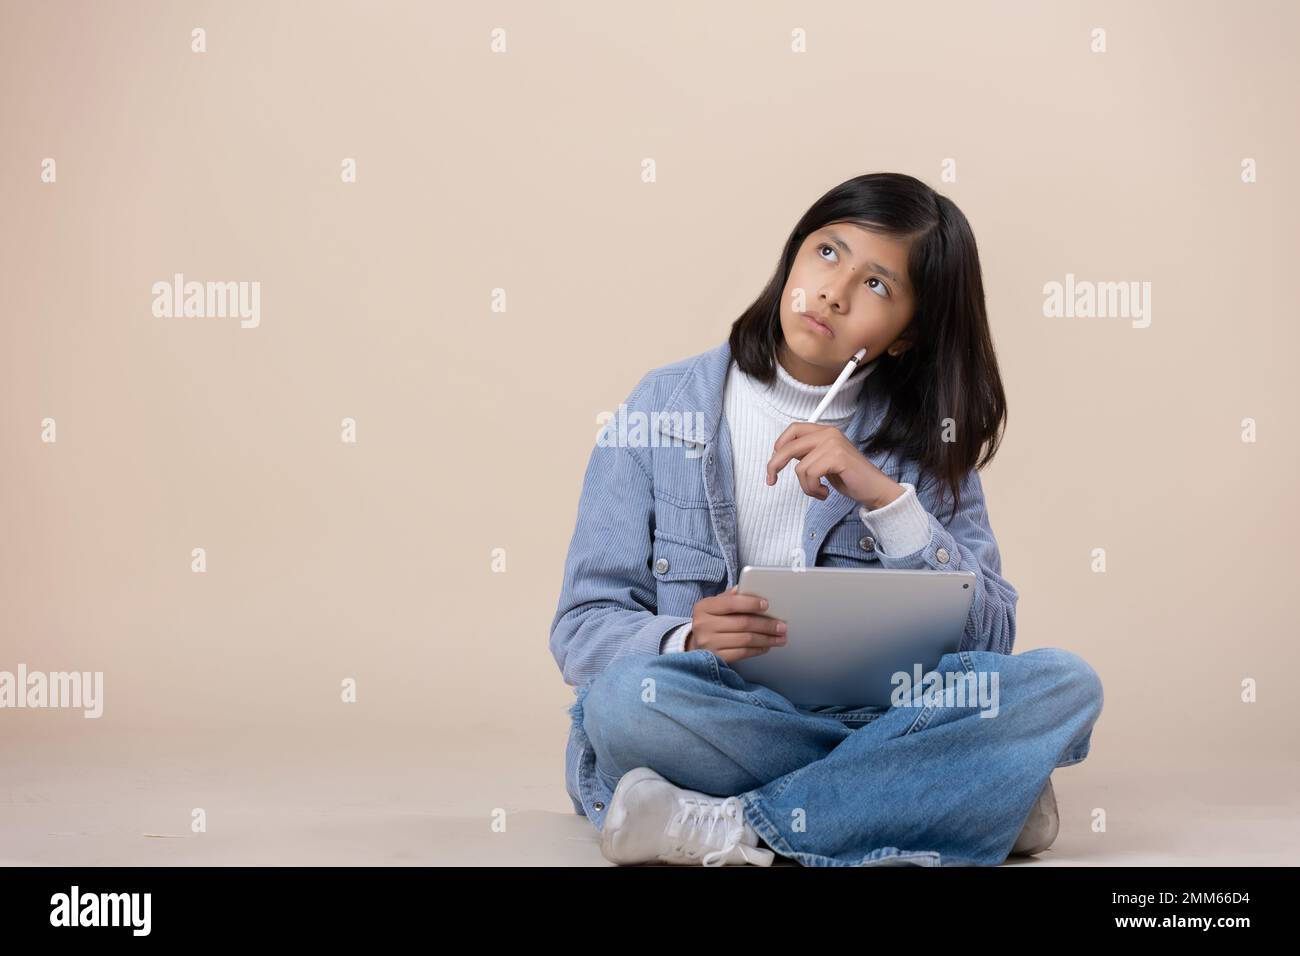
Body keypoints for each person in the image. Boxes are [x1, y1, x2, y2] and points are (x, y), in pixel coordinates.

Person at [548, 172, 1104, 866]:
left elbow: (990, 638)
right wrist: (687, 637)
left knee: (1062, 683)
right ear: (794, 257)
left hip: (884, 711)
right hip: (723, 715)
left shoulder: (925, 441)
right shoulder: (663, 404)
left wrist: (886, 500)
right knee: (624, 705)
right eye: (829, 252)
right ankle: (954, 789)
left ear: (906, 335)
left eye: (878, 285)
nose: (833, 292)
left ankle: (737, 827)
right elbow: (581, 628)